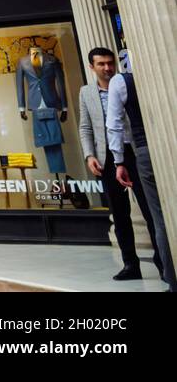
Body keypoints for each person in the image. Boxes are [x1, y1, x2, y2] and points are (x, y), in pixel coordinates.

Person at [79, 47, 162, 281]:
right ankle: (130, 265)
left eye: (110, 63)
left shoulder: (127, 85)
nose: (107, 68)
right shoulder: (86, 93)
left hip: (133, 153)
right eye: (101, 64)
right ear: (91, 67)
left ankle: (162, 262)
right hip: (106, 159)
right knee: (120, 214)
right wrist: (89, 155)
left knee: (150, 210)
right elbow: (85, 127)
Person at [107, 66, 176, 290]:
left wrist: (119, 161)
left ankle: (172, 280)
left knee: (160, 218)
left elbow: (114, 125)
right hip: (150, 148)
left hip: (146, 149)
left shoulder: (121, 81)